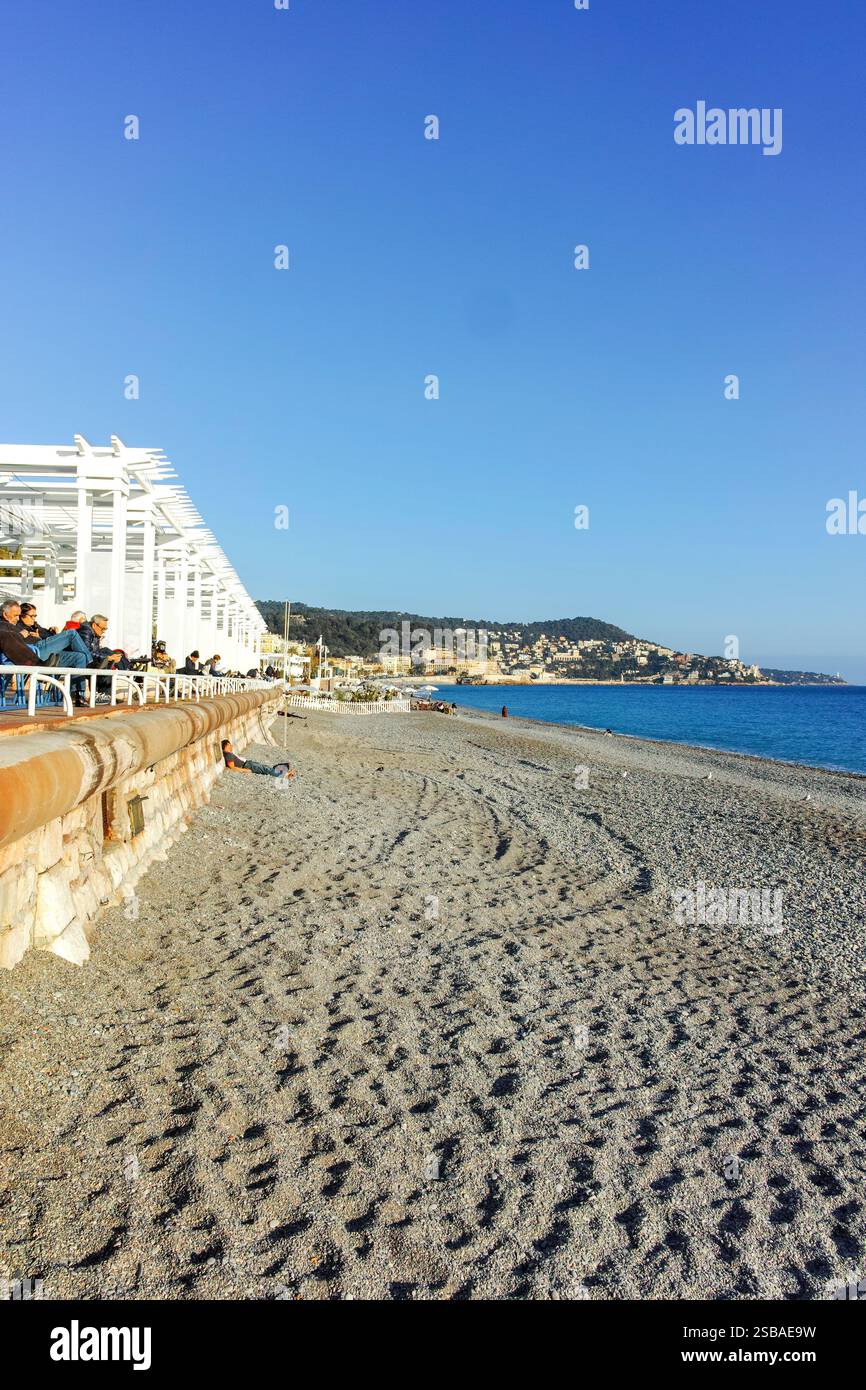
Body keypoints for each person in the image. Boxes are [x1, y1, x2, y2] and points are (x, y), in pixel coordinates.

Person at [220, 738, 295, 779]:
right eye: (229, 745)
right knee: (266, 769)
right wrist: (245, 770)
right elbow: (232, 767)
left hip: (248, 763)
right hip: (247, 765)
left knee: (265, 768)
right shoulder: (228, 755)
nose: (231, 746)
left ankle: (284, 773)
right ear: (226, 745)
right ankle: (285, 775)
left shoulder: (229, 754)